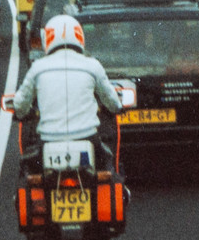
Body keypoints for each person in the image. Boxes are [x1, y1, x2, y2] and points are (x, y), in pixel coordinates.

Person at [12, 14, 123, 157]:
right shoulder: (92, 65)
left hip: (48, 139)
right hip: (87, 136)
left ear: (48, 38)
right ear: (79, 36)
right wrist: (116, 107)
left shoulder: (37, 67)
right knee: (107, 166)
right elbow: (111, 99)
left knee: (30, 171)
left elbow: (20, 103)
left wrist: (21, 113)